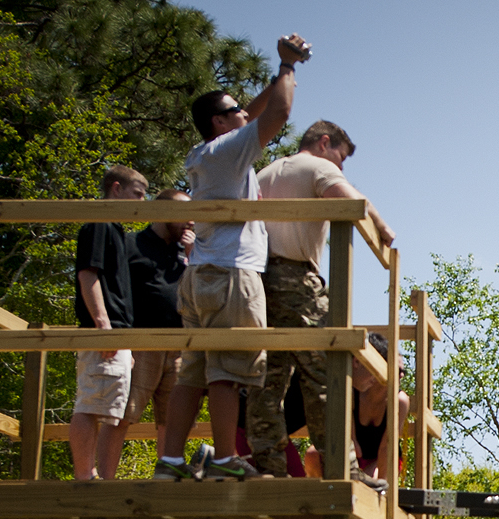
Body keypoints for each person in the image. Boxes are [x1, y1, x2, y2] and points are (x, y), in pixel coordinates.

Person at [159, 33, 312, 481]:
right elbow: (279, 113)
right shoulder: (228, 151)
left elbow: (256, 110)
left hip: (200, 276)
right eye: (236, 112)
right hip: (230, 276)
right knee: (227, 373)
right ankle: (225, 460)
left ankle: (170, 462)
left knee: (194, 373)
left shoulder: (206, 153)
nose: (246, 114)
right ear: (219, 121)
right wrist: (287, 66)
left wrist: (270, 85)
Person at [246, 119, 398, 477]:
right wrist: (383, 227)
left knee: (267, 378)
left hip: (258, 281)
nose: (340, 168)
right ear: (324, 143)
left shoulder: (265, 173)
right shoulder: (316, 166)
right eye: (340, 158)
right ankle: (340, 466)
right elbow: (351, 201)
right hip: (297, 280)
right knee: (327, 373)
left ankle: (269, 466)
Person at [67, 165, 147, 482]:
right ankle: (85, 476)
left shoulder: (116, 231)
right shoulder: (100, 223)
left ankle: (95, 476)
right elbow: (88, 274)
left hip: (118, 334)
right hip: (104, 331)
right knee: (90, 405)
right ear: (116, 189)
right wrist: (103, 326)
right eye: (137, 194)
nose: (141, 202)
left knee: (108, 408)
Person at [119, 186, 193, 471]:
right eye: (185, 214)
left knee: (173, 420)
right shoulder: (131, 244)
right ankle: (105, 482)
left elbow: (201, 291)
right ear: (163, 211)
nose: (191, 221)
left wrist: (192, 255)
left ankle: (167, 475)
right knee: (122, 414)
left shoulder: (188, 251)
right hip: (140, 343)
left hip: (180, 346)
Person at [352, 330, 407, 492]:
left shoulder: (399, 400)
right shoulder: (355, 391)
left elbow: (387, 447)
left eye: (404, 371)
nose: (402, 375)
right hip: (355, 456)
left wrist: (382, 488)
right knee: (313, 455)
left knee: (370, 482)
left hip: (383, 460)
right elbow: (353, 444)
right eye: (397, 370)